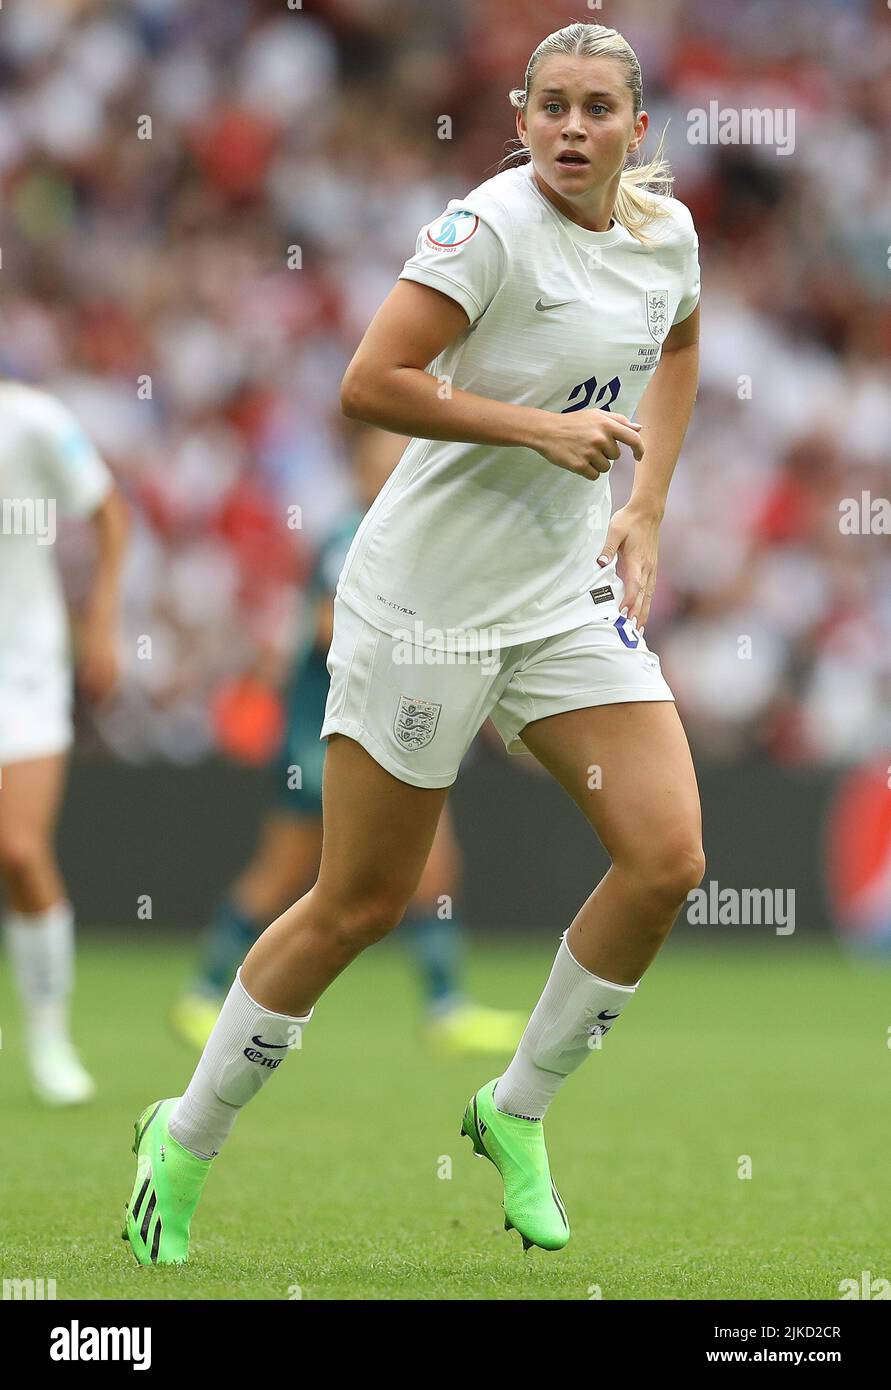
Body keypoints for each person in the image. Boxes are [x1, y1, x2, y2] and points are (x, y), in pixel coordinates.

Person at [123, 20, 704, 1263]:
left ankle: (516, 1109)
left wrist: (648, 504)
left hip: (560, 597)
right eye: (552, 105)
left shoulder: (666, 235)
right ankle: (184, 1132)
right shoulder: (488, 227)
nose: (572, 128)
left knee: (667, 858)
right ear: (521, 116)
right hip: (426, 603)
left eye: (598, 108)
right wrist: (539, 429)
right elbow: (369, 381)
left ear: (636, 128)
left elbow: (683, 339)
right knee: (359, 902)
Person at [170, 421, 524, 1055]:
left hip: (396, 725)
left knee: (435, 866)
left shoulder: (413, 533)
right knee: (285, 871)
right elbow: (329, 625)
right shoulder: (353, 535)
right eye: (386, 462)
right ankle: (203, 993)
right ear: (363, 475)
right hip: (329, 727)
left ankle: (446, 1006)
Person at [0, 381, 126, 1104]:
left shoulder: (34, 421)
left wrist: (101, 624)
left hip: (23, 669)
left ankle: (49, 1038)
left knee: (19, 850)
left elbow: (110, 511)